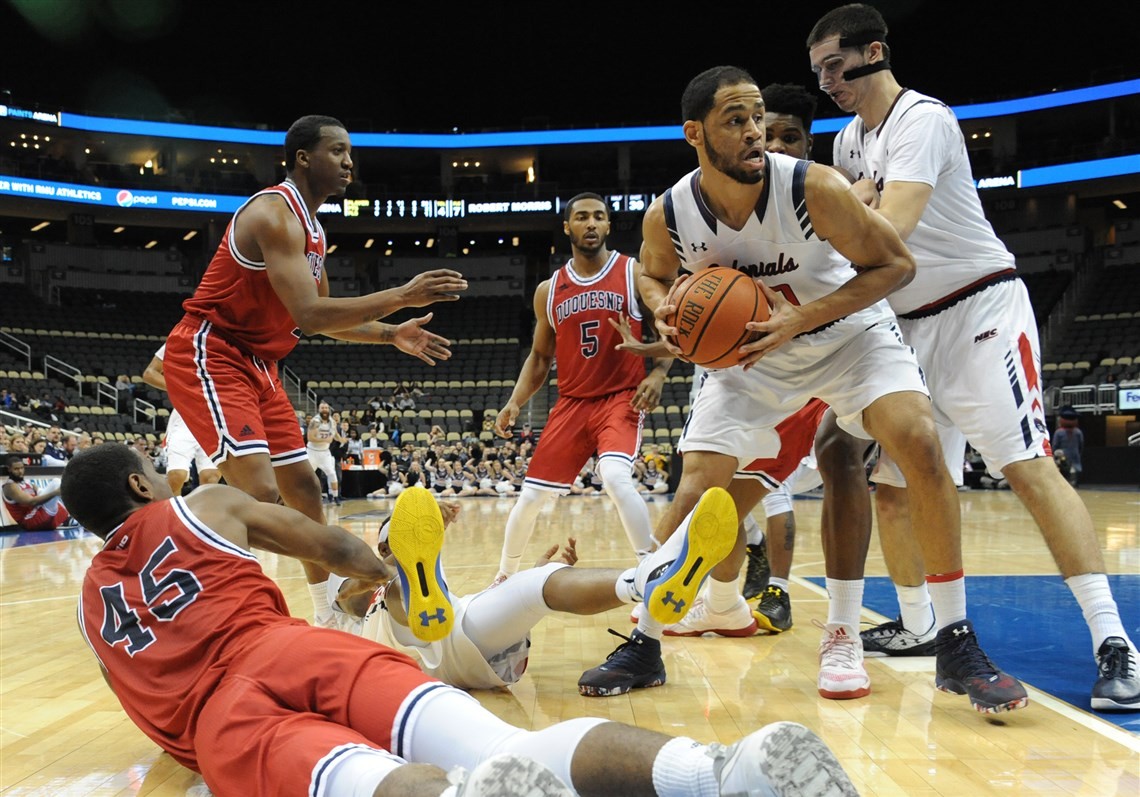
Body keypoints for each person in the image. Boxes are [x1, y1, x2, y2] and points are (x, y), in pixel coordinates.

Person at [578, 64, 1025, 714]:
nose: (755, 131)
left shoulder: (814, 188)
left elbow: (897, 263)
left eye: (758, 116)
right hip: (754, 358)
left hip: (846, 336)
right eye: (737, 120)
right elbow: (651, 276)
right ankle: (646, 642)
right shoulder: (669, 212)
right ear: (695, 133)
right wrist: (664, 303)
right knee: (701, 487)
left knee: (918, 439)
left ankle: (944, 638)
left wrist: (802, 317)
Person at [64, 444, 858, 797]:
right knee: (507, 744)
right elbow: (326, 541)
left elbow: (152, 714)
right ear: (142, 484)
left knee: (369, 778)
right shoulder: (200, 505)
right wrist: (374, 563)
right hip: (299, 647)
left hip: (219, 718)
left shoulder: (89, 608)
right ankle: (720, 772)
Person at [807, 3, 1138, 711]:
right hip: (909, 328)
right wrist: (850, 201)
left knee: (1028, 468)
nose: (827, 82)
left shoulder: (923, 119)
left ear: (875, 52)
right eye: (818, 72)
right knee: (894, 489)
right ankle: (923, 625)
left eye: (835, 66)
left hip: (980, 309)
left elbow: (888, 234)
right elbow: (860, 219)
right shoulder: (844, 144)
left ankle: (1116, 644)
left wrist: (844, 220)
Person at [158, 115, 467, 627]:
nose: (349, 162)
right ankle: (195, 582)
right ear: (303, 157)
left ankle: (327, 614)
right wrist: (403, 296)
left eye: (351, 153)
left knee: (302, 488)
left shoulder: (315, 229)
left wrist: (392, 333)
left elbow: (323, 322)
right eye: (337, 151)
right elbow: (310, 314)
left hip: (261, 364)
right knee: (256, 491)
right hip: (213, 350)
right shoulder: (274, 214)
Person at [331, 486, 737, 693]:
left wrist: (543, 572)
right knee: (406, 593)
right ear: (385, 547)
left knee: (535, 584)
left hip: (457, 638)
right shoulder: (360, 596)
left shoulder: (402, 596)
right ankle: (646, 577)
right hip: (428, 649)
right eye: (402, 540)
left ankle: (646, 581)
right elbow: (346, 595)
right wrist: (383, 572)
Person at [489, 192, 673, 585]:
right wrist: (515, 402)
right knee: (530, 498)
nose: (591, 223)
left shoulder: (632, 272)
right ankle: (504, 577)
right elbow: (539, 358)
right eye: (583, 217)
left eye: (599, 217)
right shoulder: (549, 290)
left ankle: (652, 570)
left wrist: (656, 375)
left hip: (621, 397)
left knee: (615, 475)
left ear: (608, 225)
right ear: (567, 227)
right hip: (571, 403)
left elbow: (669, 333)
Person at [142, 345, 223, 496]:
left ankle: (202, 516)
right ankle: (174, 514)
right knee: (176, 476)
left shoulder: (227, 342)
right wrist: (183, 389)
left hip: (216, 417)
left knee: (211, 478)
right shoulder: (180, 339)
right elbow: (149, 374)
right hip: (185, 416)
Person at [2, 455, 71, 530]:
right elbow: (31, 502)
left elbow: (40, 492)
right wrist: (54, 493)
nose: (20, 471)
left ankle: (67, 519)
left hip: (38, 514)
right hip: (29, 520)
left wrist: (56, 493)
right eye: (16, 469)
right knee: (56, 483)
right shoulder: (10, 487)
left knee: (56, 487)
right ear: (9, 470)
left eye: (22, 468)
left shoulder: (27, 483)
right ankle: (68, 519)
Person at [307, 401, 347, 503]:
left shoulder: (332, 422)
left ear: (329, 410)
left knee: (332, 474)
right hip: (312, 452)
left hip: (325, 452)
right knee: (307, 476)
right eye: (322, 408)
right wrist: (325, 440)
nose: (324, 410)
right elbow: (310, 438)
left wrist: (341, 440)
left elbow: (335, 434)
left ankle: (335, 496)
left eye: (326, 408)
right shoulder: (315, 422)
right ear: (319, 410)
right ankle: (305, 496)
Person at [1051, 407, 1083, 487]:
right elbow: (1081, 445)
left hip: (1063, 456)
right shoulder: (1078, 432)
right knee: (1073, 474)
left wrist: (1054, 455)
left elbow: (1054, 446)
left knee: (1064, 475)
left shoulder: (1059, 432)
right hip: (1073, 455)